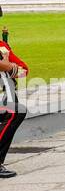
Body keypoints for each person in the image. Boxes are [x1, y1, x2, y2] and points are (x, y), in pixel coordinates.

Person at [0, 36, 29, 178]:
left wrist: (8, 66)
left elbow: (24, 70)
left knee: (16, 111)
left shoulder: (2, 46)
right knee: (14, 112)